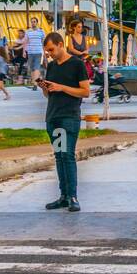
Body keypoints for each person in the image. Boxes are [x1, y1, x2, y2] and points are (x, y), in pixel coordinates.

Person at [37, 30, 90, 212]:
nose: (50, 54)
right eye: (47, 52)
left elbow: (85, 91)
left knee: (68, 156)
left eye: (51, 50)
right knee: (59, 156)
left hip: (69, 117)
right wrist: (45, 87)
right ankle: (64, 196)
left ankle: (73, 196)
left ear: (60, 44)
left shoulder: (77, 64)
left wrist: (62, 87)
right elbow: (50, 93)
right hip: (53, 117)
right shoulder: (51, 67)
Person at [24, 17, 46, 88]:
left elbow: (43, 43)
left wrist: (45, 52)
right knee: (32, 68)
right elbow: (26, 42)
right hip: (30, 52)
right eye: (32, 22)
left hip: (38, 51)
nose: (33, 23)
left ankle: (35, 84)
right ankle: (35, 82)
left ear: (37, 22)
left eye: (34, 22)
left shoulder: (41, 32)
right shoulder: (28, 32)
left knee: (36, 67)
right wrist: (24, 51)